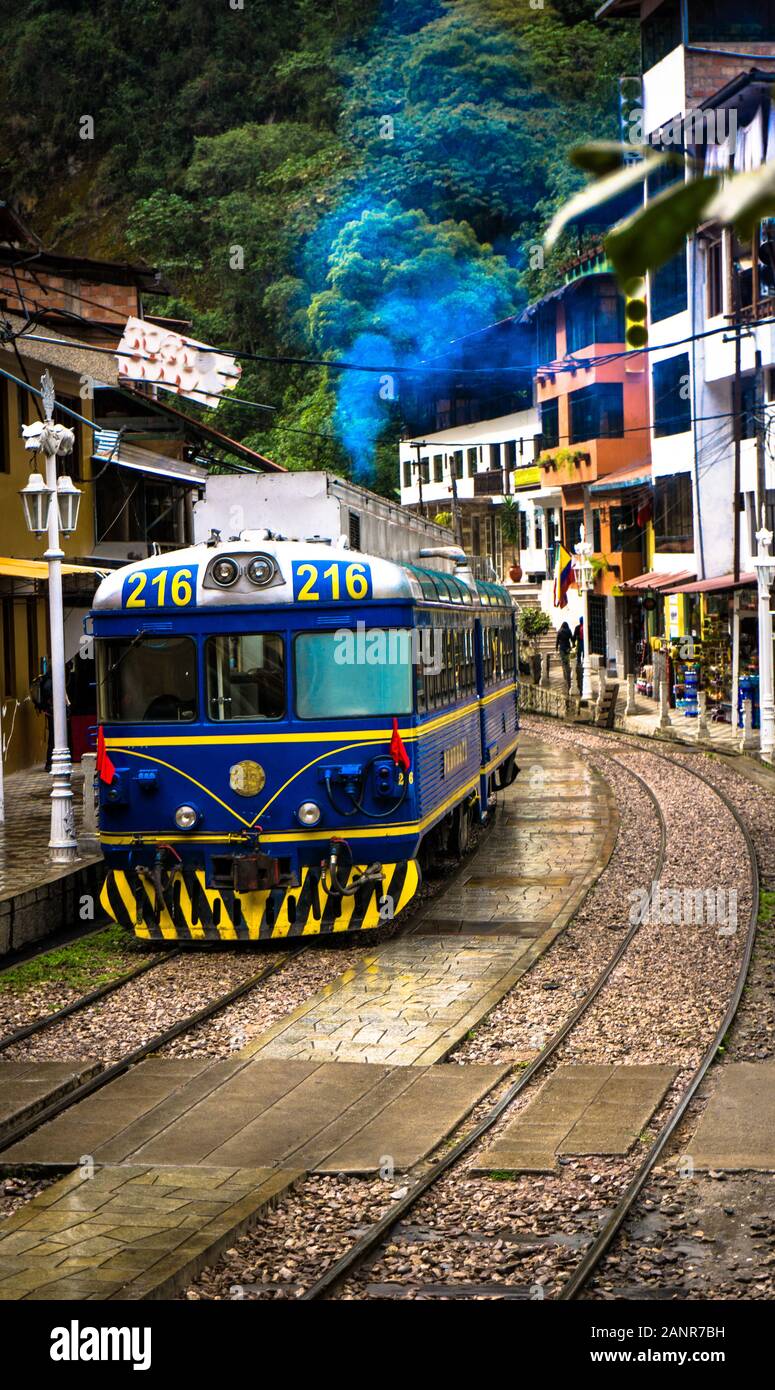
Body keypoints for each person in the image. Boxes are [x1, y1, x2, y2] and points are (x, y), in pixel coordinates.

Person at [555, 621, 573, 692]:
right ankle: (568, 671)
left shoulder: (560, 631)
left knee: (563, 661)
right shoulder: (569, 630)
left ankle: (565, 674)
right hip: (568, 647)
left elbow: (557, 640)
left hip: (562, 648)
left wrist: (556, 647)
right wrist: (573, 645)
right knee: (567, 660)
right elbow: (571, 638)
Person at [572, 616, 584, 692]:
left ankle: (579, 666)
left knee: (579, 655)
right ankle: (583, 665)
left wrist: (573, 643)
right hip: (584, 642)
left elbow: (574, 636)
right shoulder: (586, 627)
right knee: (584, 655)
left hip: (579, 642)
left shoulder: (577, 627)